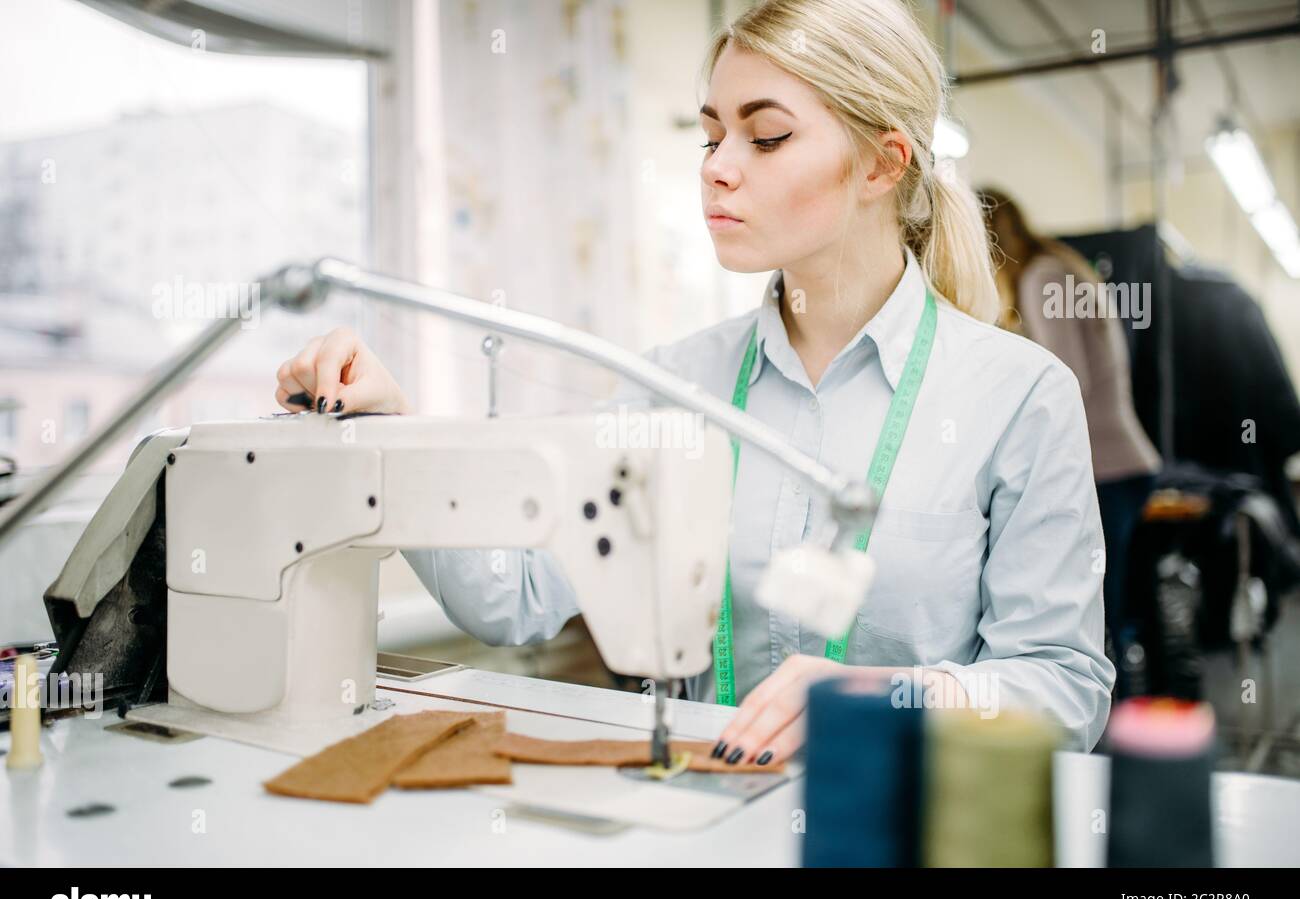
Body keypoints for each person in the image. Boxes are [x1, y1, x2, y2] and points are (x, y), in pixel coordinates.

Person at [274, 0, 1115, 756]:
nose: (716, 167)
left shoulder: (1019, 395)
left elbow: (1066, 690)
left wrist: (889, 699)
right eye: (711, 135)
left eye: (767, 136)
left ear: (881, 164)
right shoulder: (674, 383)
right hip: (711, 815)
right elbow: (516, 596)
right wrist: (388, 427)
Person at [980, 187, 1161, 644]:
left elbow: (1065, 380)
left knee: (1098, 619)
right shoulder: (1061, 267)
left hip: (1107, 468)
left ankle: (1113, 715)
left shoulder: (1043, 276)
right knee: (1113, 610)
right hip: (1121, 463)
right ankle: (1127, 709)